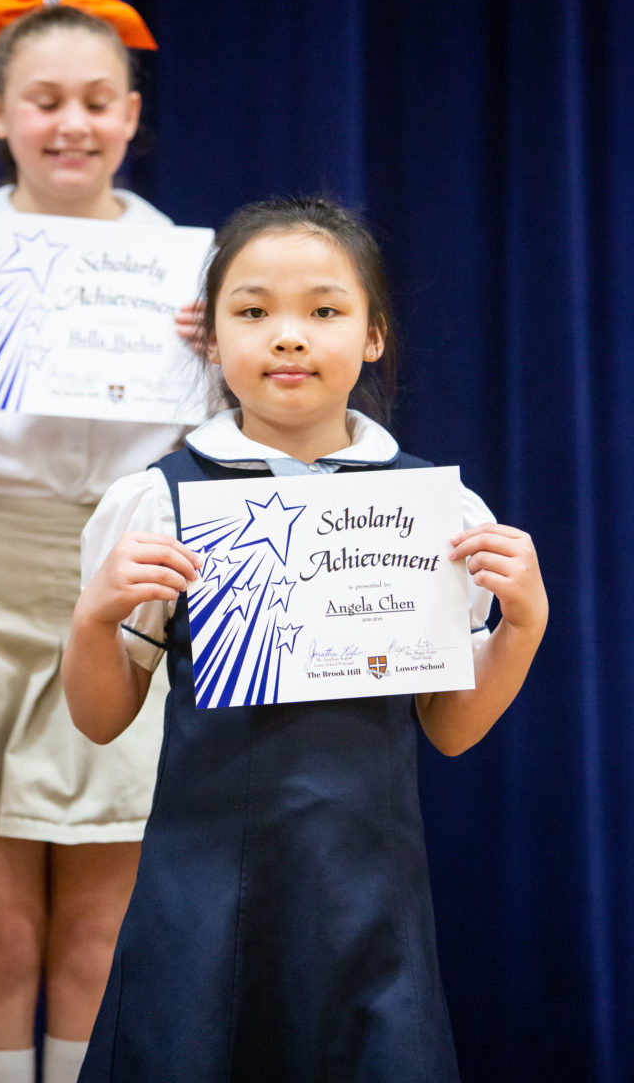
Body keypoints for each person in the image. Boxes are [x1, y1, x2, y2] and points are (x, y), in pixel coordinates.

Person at [62, 196, 549, 1082]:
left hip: (368, 899)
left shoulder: (432, 511)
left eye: (324, 311)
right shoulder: (158, 500)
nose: (288, 337)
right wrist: (95, 616)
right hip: (199, 892)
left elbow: (450, 727)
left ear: (373, 336)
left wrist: (523, 626)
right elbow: (99, 720)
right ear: (209, 337)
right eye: (253, 312)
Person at [0, 0, 199, 1083]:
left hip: (125, 576)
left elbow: (259, 425)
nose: (73, 123)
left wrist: (221, 341)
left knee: (100, 937)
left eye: (98, 100)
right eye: (44, 100)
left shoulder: (188, 269)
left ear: (131, 118)